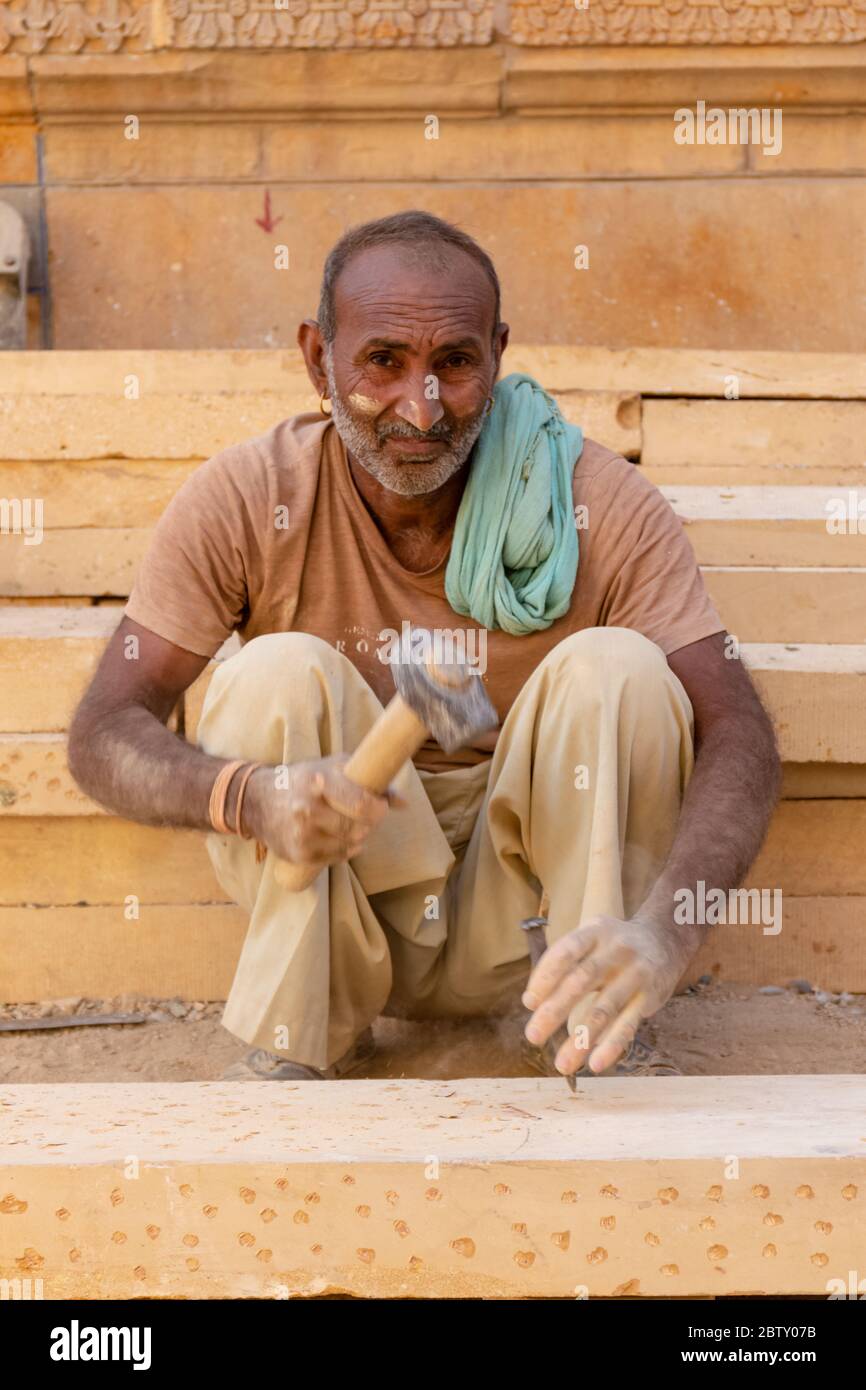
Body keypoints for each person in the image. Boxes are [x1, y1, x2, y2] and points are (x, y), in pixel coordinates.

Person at [68, 210, 780, 1082]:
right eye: (383, 362)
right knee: (272, 674)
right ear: (316, 359)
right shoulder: (251, 496)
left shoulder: (595, 501)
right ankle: (305, 1034)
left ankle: (594, 1023)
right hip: (345, 916)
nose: (421, 406)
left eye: (454, 363)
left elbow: (737, 728)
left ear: (497, 355)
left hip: (529, 935)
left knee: (618, 670)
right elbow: (103, 728)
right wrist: (250, 798)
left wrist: (666, 931)